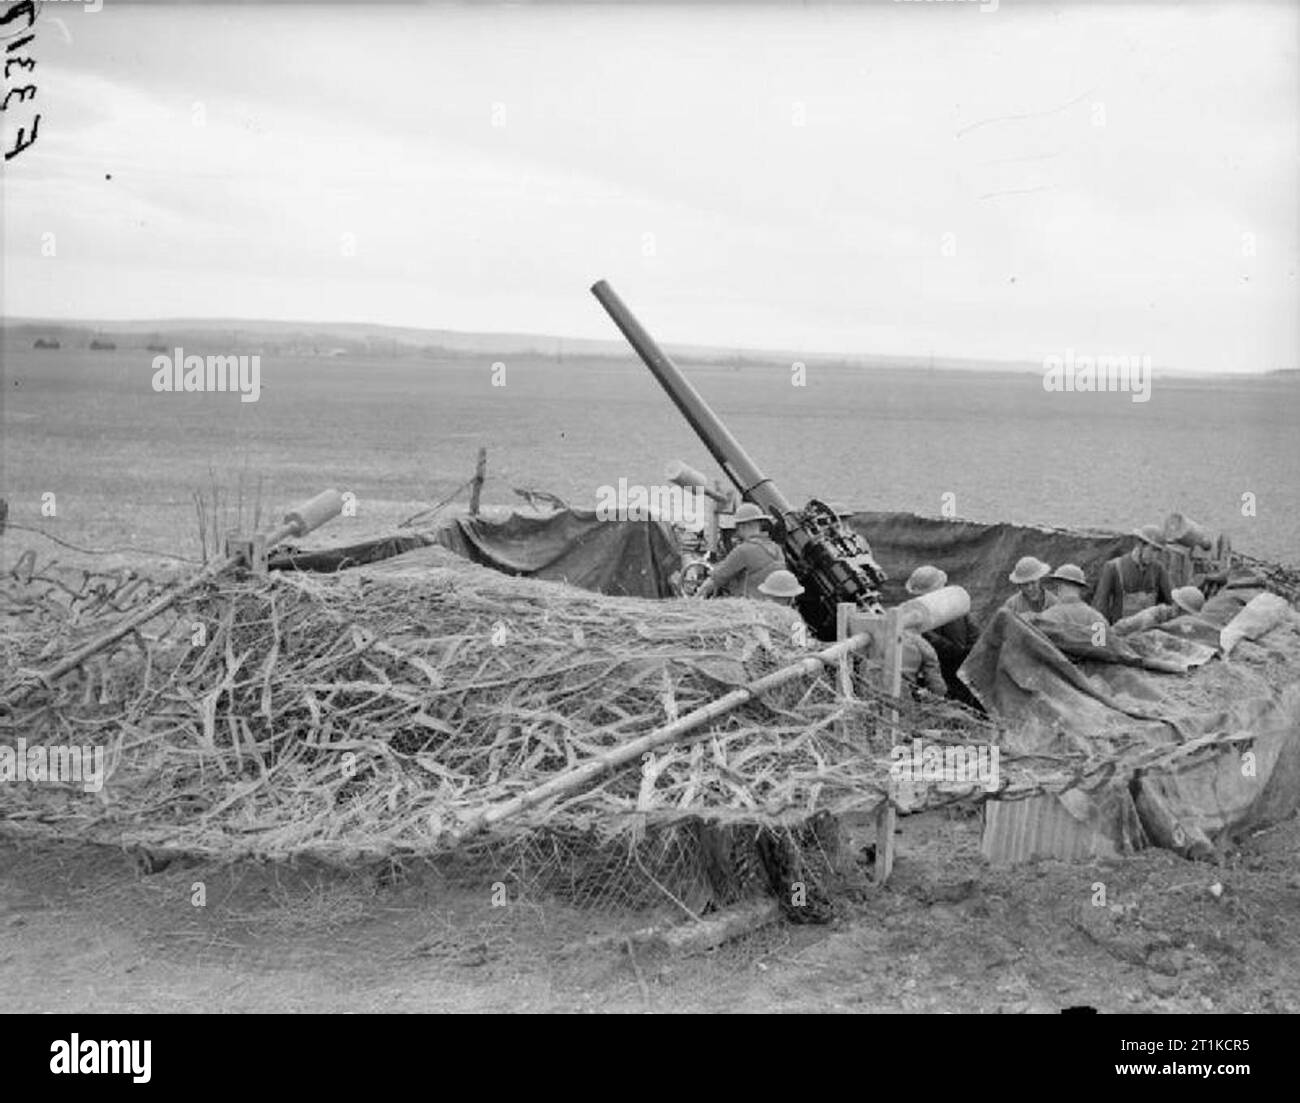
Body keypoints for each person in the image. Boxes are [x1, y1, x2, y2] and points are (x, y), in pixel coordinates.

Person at [905, 565, 981, 707]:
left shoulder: (951, 612)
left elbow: (958, 651)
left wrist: (926, 636)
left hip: (964, 673)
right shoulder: (936, 610)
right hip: (951, 670)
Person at [695, 502, 786, 599]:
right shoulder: (776, 549)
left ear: (744, 526)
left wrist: (695, 598)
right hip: (774, 605)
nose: (736, 531)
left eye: (737, 527)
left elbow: (716, 578)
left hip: (749, 606)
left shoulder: (743, 550)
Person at [1091, 524, 1175, 625]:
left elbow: (1170, 601)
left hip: (1148, 632)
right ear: (1140, 545)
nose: (1155, 556)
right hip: (1119, 632)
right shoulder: (1113, 567)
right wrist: (1100, 639)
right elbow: (1100, 607)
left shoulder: (1159, 569)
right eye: (1153, 550)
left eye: (1158, 552)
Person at [1037, 563, 1108, 634]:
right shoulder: (1098, 619)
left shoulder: (1047, 618)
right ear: (1080, 589)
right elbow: (1104, 644)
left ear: (1059, 586)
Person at [1112, 585, 1206, 636]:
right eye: (1187, 614)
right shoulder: (1152, 617)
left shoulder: (1173, 619)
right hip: (1117, 635)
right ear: (1177, 608)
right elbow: (1144, 640)